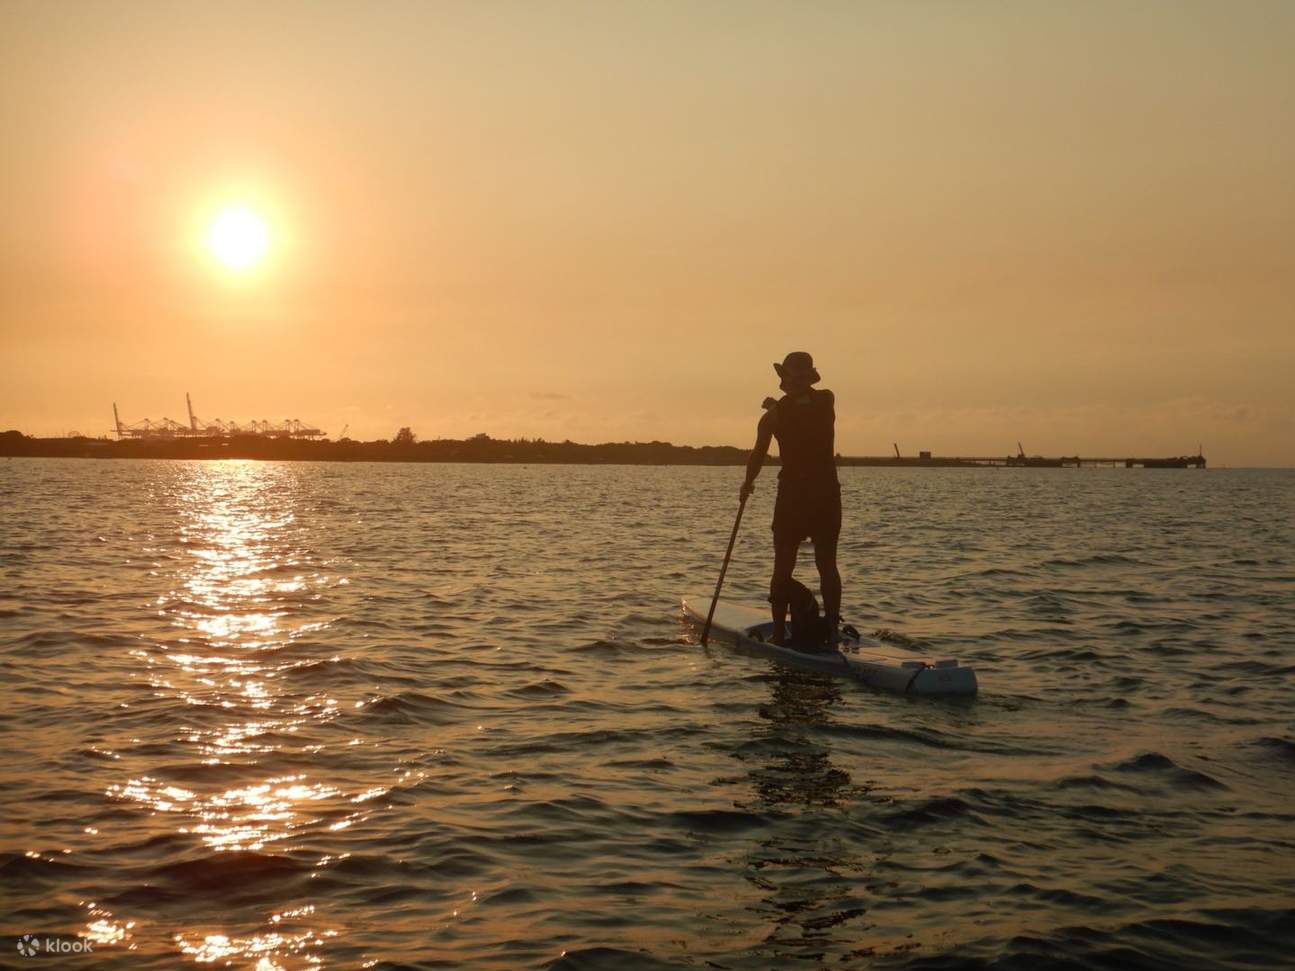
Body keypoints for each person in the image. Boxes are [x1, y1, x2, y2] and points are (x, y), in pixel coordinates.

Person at [740, 351, 842, 649]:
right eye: (789, 377)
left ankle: (822, 631)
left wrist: (777, 404)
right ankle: (796, 633)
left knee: (815, 565)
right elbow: (759, 453)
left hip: (813, 496)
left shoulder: (821, 401)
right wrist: (748, 482)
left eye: (795, 377)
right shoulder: (785, 412)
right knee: (792, 566)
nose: (791, 382)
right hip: (807, 496)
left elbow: (800, 417)